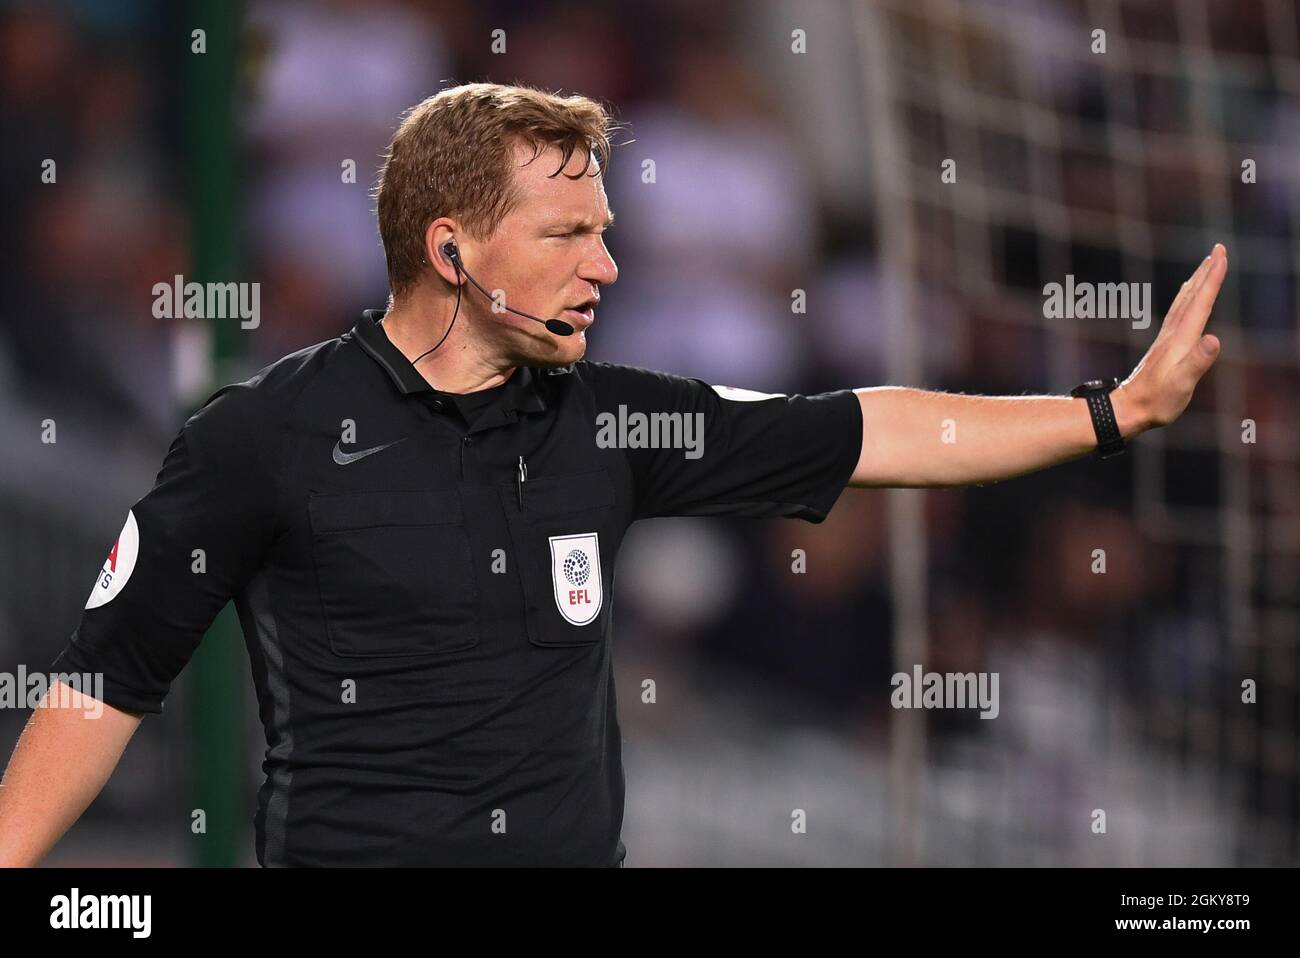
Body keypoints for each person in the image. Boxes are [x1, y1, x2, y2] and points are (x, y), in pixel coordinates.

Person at [0, 82, 1226, 867]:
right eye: (569, 235)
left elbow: (877, 429)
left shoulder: (614, 426)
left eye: (608, 232)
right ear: (452, 248)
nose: (608, 267)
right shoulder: (260, 435)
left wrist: (1109, 413)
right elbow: (104, 685)